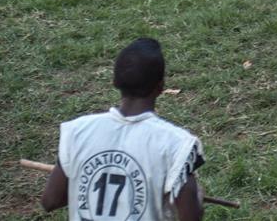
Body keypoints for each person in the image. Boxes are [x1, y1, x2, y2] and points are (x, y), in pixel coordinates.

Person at [40, 38, 205, 220]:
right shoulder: (177, 145)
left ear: (114, 81)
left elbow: (50, 200)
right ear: (160, 86)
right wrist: (196, 199)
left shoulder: (78, 131)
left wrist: (83, 185)